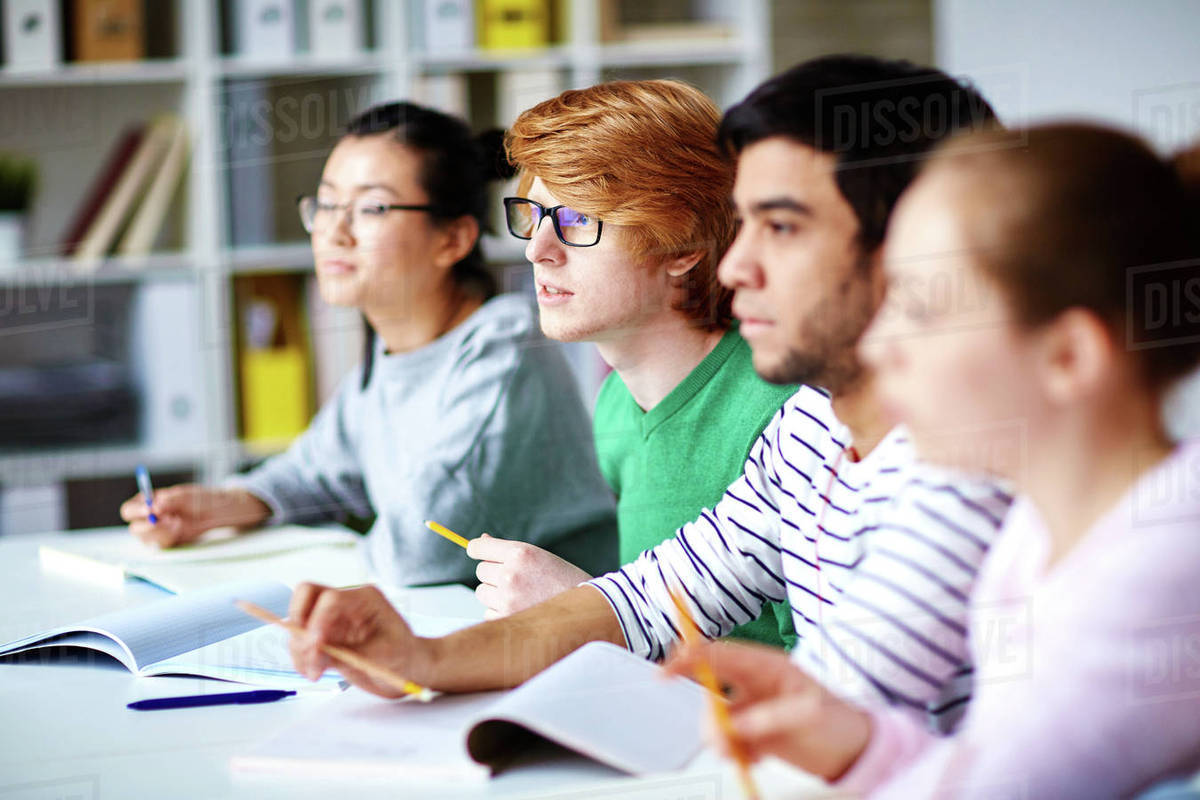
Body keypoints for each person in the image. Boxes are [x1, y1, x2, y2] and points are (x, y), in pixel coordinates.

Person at [281, 56, 1010, 733]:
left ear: (913, 245)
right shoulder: (812, 429)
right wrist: (417, 659)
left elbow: (826, 724)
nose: (739, 262)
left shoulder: (961, 468)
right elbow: (646, 600)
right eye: (746, 221)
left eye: (781, 226)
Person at [666, 125, 1200, 798]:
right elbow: (983, 765)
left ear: (1069, 357)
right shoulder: (1044, 527)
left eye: (918, 308)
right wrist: (851, 739)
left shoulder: (1158, 572)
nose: (880, 343)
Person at [119, 101, 618, 587]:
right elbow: (312, 473)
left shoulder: (501, 349)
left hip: (562, 639)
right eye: (327, 203)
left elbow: (419, 550)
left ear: (453, 239)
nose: (334, 231)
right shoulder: (389, 353)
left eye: (371, 208)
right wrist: (217, 507)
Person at [463, 79, 798, 648]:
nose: (537, 250)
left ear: (684, 245)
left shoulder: (782, 410)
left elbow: (830, 688)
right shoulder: (616, 403)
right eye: (533, 214)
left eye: (576, 219)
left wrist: (584, 612)